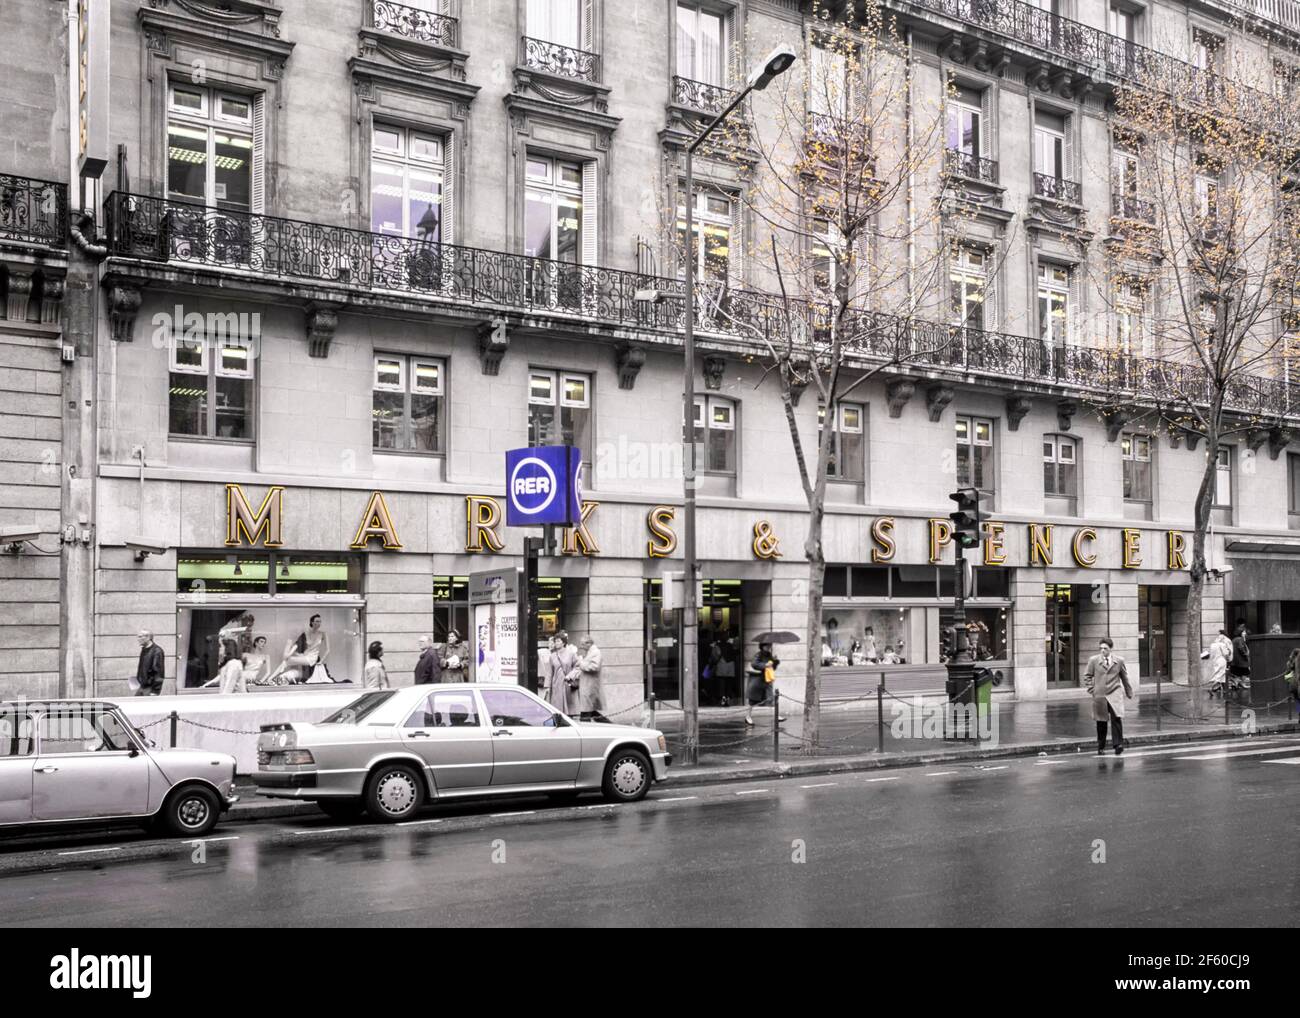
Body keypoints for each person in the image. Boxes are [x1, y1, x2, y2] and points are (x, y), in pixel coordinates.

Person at [1084, 636, 1133, 755]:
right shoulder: (1094, 660)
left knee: (1116, 718)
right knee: (1101, 721)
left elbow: (1124, 677)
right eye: (1101, 648)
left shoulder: (1119, 661)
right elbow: (1087, 676)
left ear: (1110, 649)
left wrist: (1128, 691)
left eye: (1105, 648)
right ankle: (1101, 746)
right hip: (1100, 695)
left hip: (1115, 693)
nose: (1102, 651)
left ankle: (1118, 745)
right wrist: (1092, 689)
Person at [744, 641, 785, 726]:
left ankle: (776, 715)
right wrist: (765, 665)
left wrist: (775, 661)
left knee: (771, 698)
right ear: (763, 646)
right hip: (757, 680)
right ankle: (748, 717)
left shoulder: (769, 655)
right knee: (752, 700)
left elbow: (773, 667)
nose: (769, 646)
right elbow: (754, 664)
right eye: (767, 645)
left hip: (767, 679)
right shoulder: (758, 654)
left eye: (770, 645)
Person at [570, 635, 604, 720]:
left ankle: (585, 726)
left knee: (586, 710)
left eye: (582, 644)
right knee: (589, 710)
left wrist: (581, 663)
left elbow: (595, 667)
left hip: (590, 686)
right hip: (587, 685)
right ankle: (608, 726)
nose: (581, 647)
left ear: (588, 643)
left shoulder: (595, 652)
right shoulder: (590, 652)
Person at [547, 632, 578, 713]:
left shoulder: (571, 654)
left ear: (563, 642)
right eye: (555, 641)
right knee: (557, 710)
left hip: (567, 684)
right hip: (556, 685)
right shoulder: (552, 656)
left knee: (569, 708)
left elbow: (577, 667)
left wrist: (570, 676)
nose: (556, 643)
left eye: (558, 641)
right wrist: (547, 687)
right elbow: (550, 672)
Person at [135, 630, 165, 696]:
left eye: (140, 637)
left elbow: (159, 673)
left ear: (148, 638)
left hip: (150, 688)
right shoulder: (144, 649)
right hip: (142, 686)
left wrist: (155, 691)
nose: (138, 639)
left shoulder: (157, 651)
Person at [1207, 628, 1233, 697]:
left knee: (1221, 676)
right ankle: (1212, 688)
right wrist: (1229, 659)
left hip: (1215, 660)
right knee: (1220, 675)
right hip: (1222, 660)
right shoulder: (1222, 644)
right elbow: (1226, 653)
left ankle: (1224, 690)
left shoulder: (1212, 645)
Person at [1230, 621, 1252, 692]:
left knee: (1238, 673)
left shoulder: (1234, 639)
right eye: (1244, 632)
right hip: (1241, 660)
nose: (1245, 633)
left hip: (1235, 660)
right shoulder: (1240, 639)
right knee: (1244, 672)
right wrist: (1245, 654)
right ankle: (1241, 683)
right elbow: (1241, 648)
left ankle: (1236, 684)